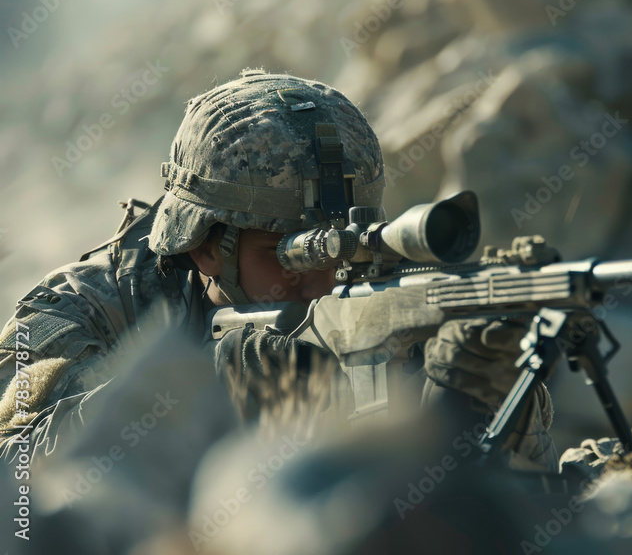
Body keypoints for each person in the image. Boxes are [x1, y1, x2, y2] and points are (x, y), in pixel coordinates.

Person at [0, 70, 556, 469]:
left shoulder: (382, 314)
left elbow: (479, 505)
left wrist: (479, 407)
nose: (323, 282)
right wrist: (207, 388)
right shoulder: (82, 310)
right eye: (288, 253)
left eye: (344, 253)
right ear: (203, 247)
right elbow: (17, 489)